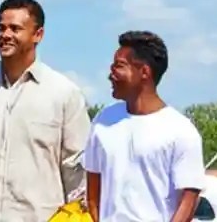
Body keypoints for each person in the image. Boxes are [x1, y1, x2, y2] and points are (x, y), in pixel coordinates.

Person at [0, 0, 92, 222]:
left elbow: (77, 172)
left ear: (38, 35)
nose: (5, 35)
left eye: (15, 28)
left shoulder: (63, 94)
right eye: (1, 28)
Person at [84, 31, 206, 222]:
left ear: (144, 72)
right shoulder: (103, 121)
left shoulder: (181, 131)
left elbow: (189, 200)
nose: (111, 75)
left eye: (119, 66)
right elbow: (93, 194)